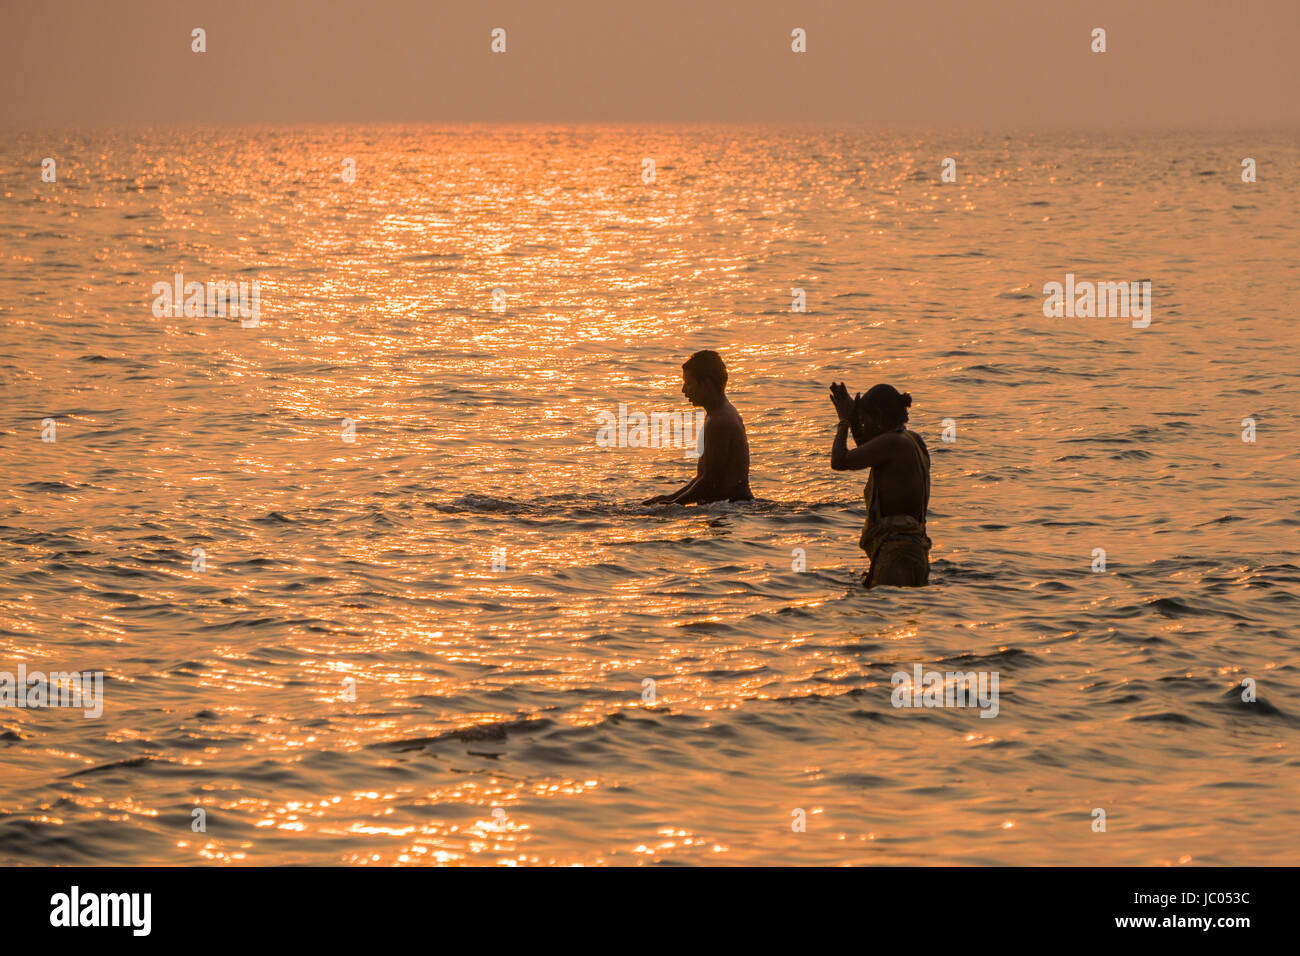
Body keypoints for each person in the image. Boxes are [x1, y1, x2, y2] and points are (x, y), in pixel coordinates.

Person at [829, 381, 931, 587]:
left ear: (879, 418)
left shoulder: (894, 443)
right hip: (913, 552)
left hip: (897, 556)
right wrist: (857, 421)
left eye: (866, 422)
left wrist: (844, 422)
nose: (864, 428)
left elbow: (840, 461)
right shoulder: (911, 440)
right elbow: (867, 450)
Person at [644, 350, 753, 505]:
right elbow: (704, 477)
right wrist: (669, 499)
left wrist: (674, 505)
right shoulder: (718, 414)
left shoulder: (719, 421)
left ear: (706, 384)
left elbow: (710, 482)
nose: (683, 390)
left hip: (730, 509)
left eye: (688, 383)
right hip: (730, 507)